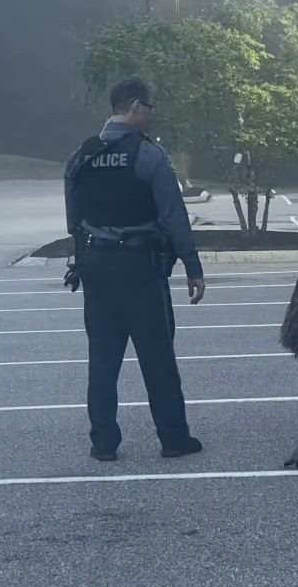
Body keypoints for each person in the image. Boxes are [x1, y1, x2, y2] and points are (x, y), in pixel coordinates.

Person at [62, 77, 206, 462]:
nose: (153, 115)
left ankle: (104, 443)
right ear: (136, 107)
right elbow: (174, 217)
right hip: (140, 268)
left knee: (102, 361)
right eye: (150, 107)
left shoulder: (82, 156)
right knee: (157, 358)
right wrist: (192, 266)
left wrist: (84, 258)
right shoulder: (149, 155)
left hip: (96, 267)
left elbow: (74, 220)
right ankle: (174, 438)